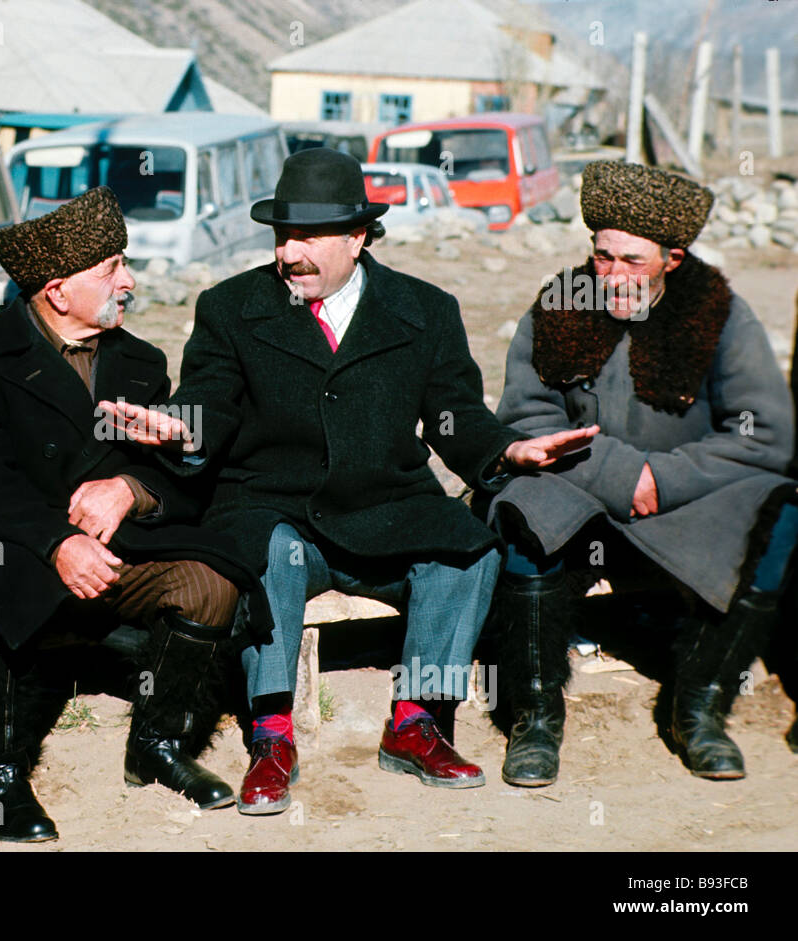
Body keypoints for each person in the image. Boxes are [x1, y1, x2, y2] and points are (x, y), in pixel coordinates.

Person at [103, 148, 589, 815]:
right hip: (279, 511)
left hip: (386, 509)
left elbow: (457, 418)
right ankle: (271, 735)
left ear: (357, 237)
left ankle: (415, 722)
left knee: (468, 546)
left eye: (306, 237)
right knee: (262, 548)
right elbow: (210, 401)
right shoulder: (230, 307)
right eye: (280, 236)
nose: (288, 253)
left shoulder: (425, 310)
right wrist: (180, 428)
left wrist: (510, 451)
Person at [0, 186, 256, 843]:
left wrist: (132, 489)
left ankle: (159, 745)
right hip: (18, 546)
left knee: (211, 580)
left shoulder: (140, 361)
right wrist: (56, 540)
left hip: (118, 551)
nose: (129, 280)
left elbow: (176, 475)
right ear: (57, 290)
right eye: (111, 268)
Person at [487, 160, 797, 785]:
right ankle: (536, 715)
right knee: (520, 505)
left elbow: (764, 429)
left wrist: (666, 479)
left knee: (782, 513)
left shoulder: (722, 317)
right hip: (578, 488)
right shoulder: (558, 305)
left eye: (634, 260)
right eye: (604, 257)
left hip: (685, 497)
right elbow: (524, 416)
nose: (614, 274)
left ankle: (700, 707)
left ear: (672, 259)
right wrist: (624, 475)